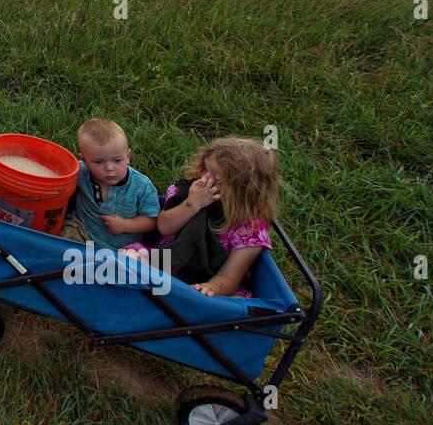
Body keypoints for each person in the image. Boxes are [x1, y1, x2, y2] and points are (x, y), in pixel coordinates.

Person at [121, 138, 277, 297]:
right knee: (129, 256)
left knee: (237, 301)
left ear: (243, 190)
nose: (205, 179)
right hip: (166, 259)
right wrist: (191, 205)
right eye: (205, 169)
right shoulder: (187, 192)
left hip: (209, 278)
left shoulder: (250, 229)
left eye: (216, 177)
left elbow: (229, 276)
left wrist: (209, 288)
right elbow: (164, 227)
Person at [58, 118, 160, 249]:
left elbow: (151, 220)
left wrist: (125, 225)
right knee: (63, 241)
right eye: (99, 162)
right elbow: (59, 175)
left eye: (117, 160)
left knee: (137, 261)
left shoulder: (141, 186)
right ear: (85, 160)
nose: (109, 168)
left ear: (128, 156)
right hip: (82, 229)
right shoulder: (80, 172)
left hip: (122, 246)